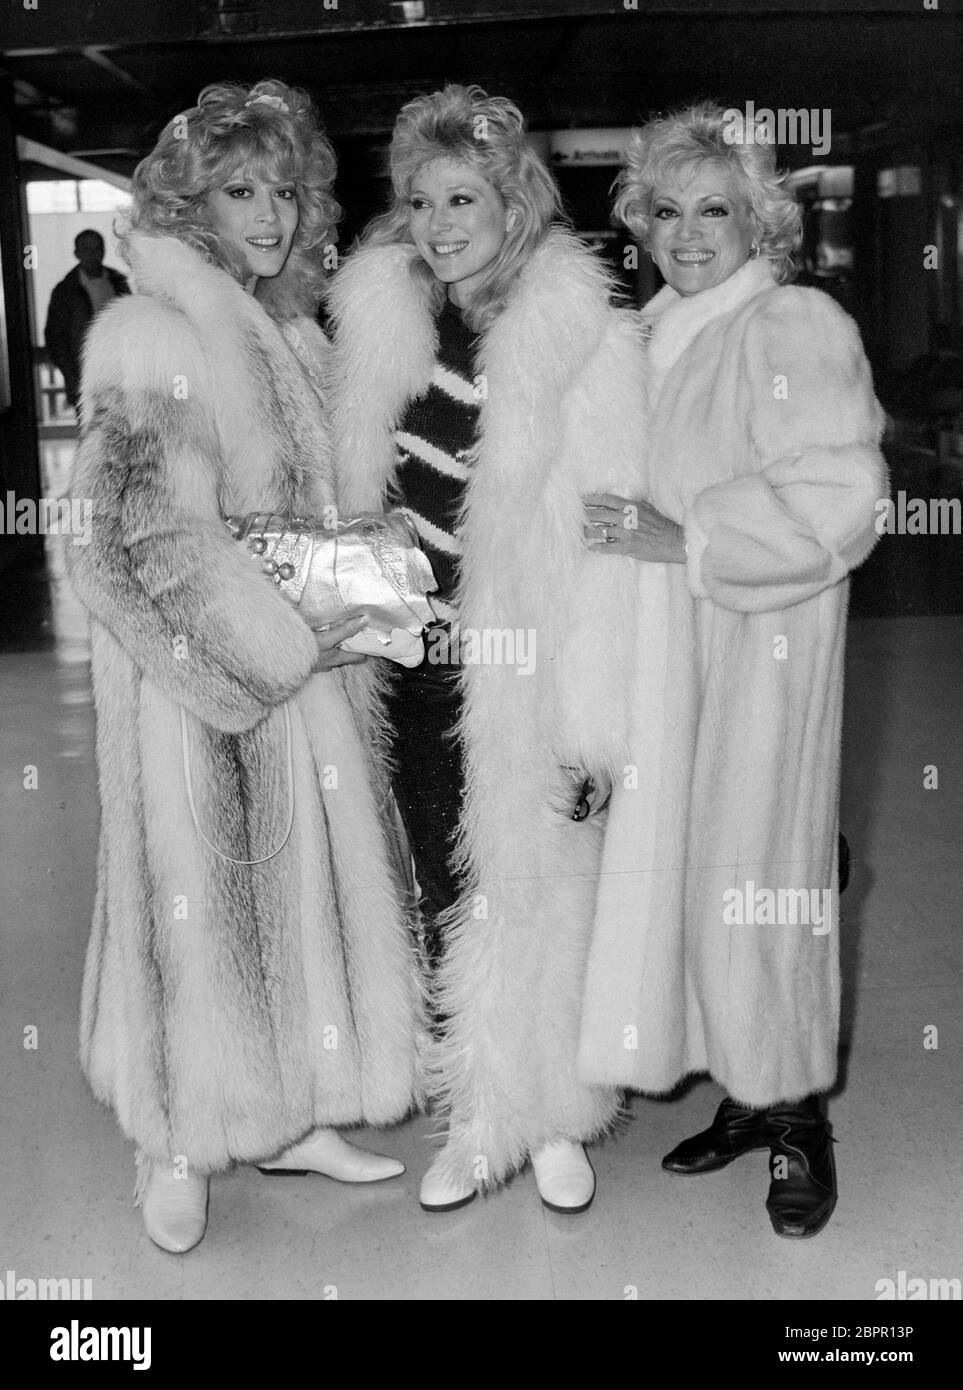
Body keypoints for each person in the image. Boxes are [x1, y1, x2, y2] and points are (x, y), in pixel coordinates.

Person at [65, 80, 423, 1254]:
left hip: (297, 687)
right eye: (237, 189)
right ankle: (173, 1139)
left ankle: (287, 1112)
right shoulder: (155, 334)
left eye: (282, 188)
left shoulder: (291, 331)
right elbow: (131, 544)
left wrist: (353, 596)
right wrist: (274, 643)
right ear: (187, 200)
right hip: (194, 691)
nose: (268, 214)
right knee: (196, 897)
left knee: (288, 893)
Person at [328, 84, 649, 1214]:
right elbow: (358, 505)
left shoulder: (586, 335)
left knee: (539, 887)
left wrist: (595, 720)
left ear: (514, 202)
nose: (440, 220)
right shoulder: (376, 319)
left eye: (464, 196)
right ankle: (470, 1117)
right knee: (437, 881)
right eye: (420, 199)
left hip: (531, 669)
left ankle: (550, 1113)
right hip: (408, 664)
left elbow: (614, 547)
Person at [576, 101, 887, 1237]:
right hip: (671, 666)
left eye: (717, 210)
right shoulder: (651, 333)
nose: (690, 233)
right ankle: (747, 1092)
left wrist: (687, 538)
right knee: (690, 884)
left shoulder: (788, 326)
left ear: (760, 219)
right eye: (667, 210)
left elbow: (843, 500)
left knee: (764, 875)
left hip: (762, 658)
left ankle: (797, 1117)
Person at [44, 230, 129, 408]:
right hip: (83, 373)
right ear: (77, 253)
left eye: (97, 248)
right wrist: (71, 374)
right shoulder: (65, 291)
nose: (93, 253)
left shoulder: (118, 282)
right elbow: (55, 337)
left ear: (104, 250)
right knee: (90, 427)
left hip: (120, 370)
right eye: (86, 249)